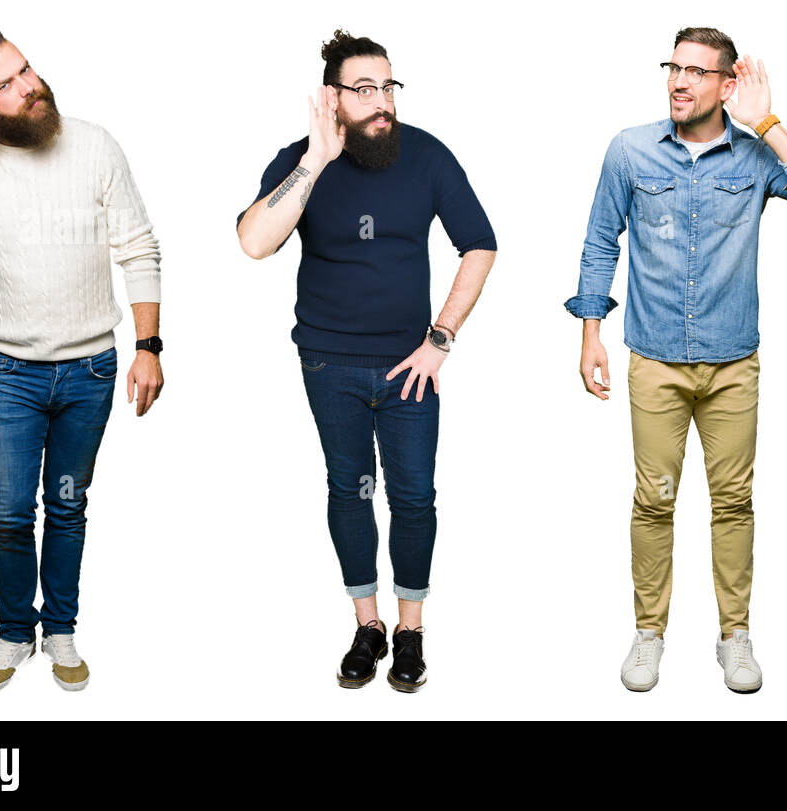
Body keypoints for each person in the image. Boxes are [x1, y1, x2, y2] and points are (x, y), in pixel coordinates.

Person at [566, 27, 787, 693]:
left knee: (733, 501)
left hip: (731, 365)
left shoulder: (754, 158)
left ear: (728, 85)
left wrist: (769, 121)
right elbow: (600, 239)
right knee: (653, 498)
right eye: (673, 68)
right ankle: (648, 632)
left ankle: (735, 635)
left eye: (697, 72)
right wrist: (589, 334)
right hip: (654, 360)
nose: (678, 82)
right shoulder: (630, 150)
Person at [236, 30, 496, 693]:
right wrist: (319, 157)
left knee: (413, 495)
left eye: (388, 86)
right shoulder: (300, 161)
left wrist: (440, 339)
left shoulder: (428, 156)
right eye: (364, 89)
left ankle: (410, 629)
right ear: (333, 98)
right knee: (349, 489)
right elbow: (254, 241)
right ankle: (368, 623)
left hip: (410, 370)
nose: (381, 101)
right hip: (329, 366)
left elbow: (480, 244)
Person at [0, 29, 166, 693]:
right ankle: (14, 631)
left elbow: (138, 247)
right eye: (5, 85)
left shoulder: (93, 144)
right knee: (10, 513)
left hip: (92, 373)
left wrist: (147, 346)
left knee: (69, 505)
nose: (28, 87)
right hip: (13, 380)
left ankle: (62, 629)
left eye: (25, 70)